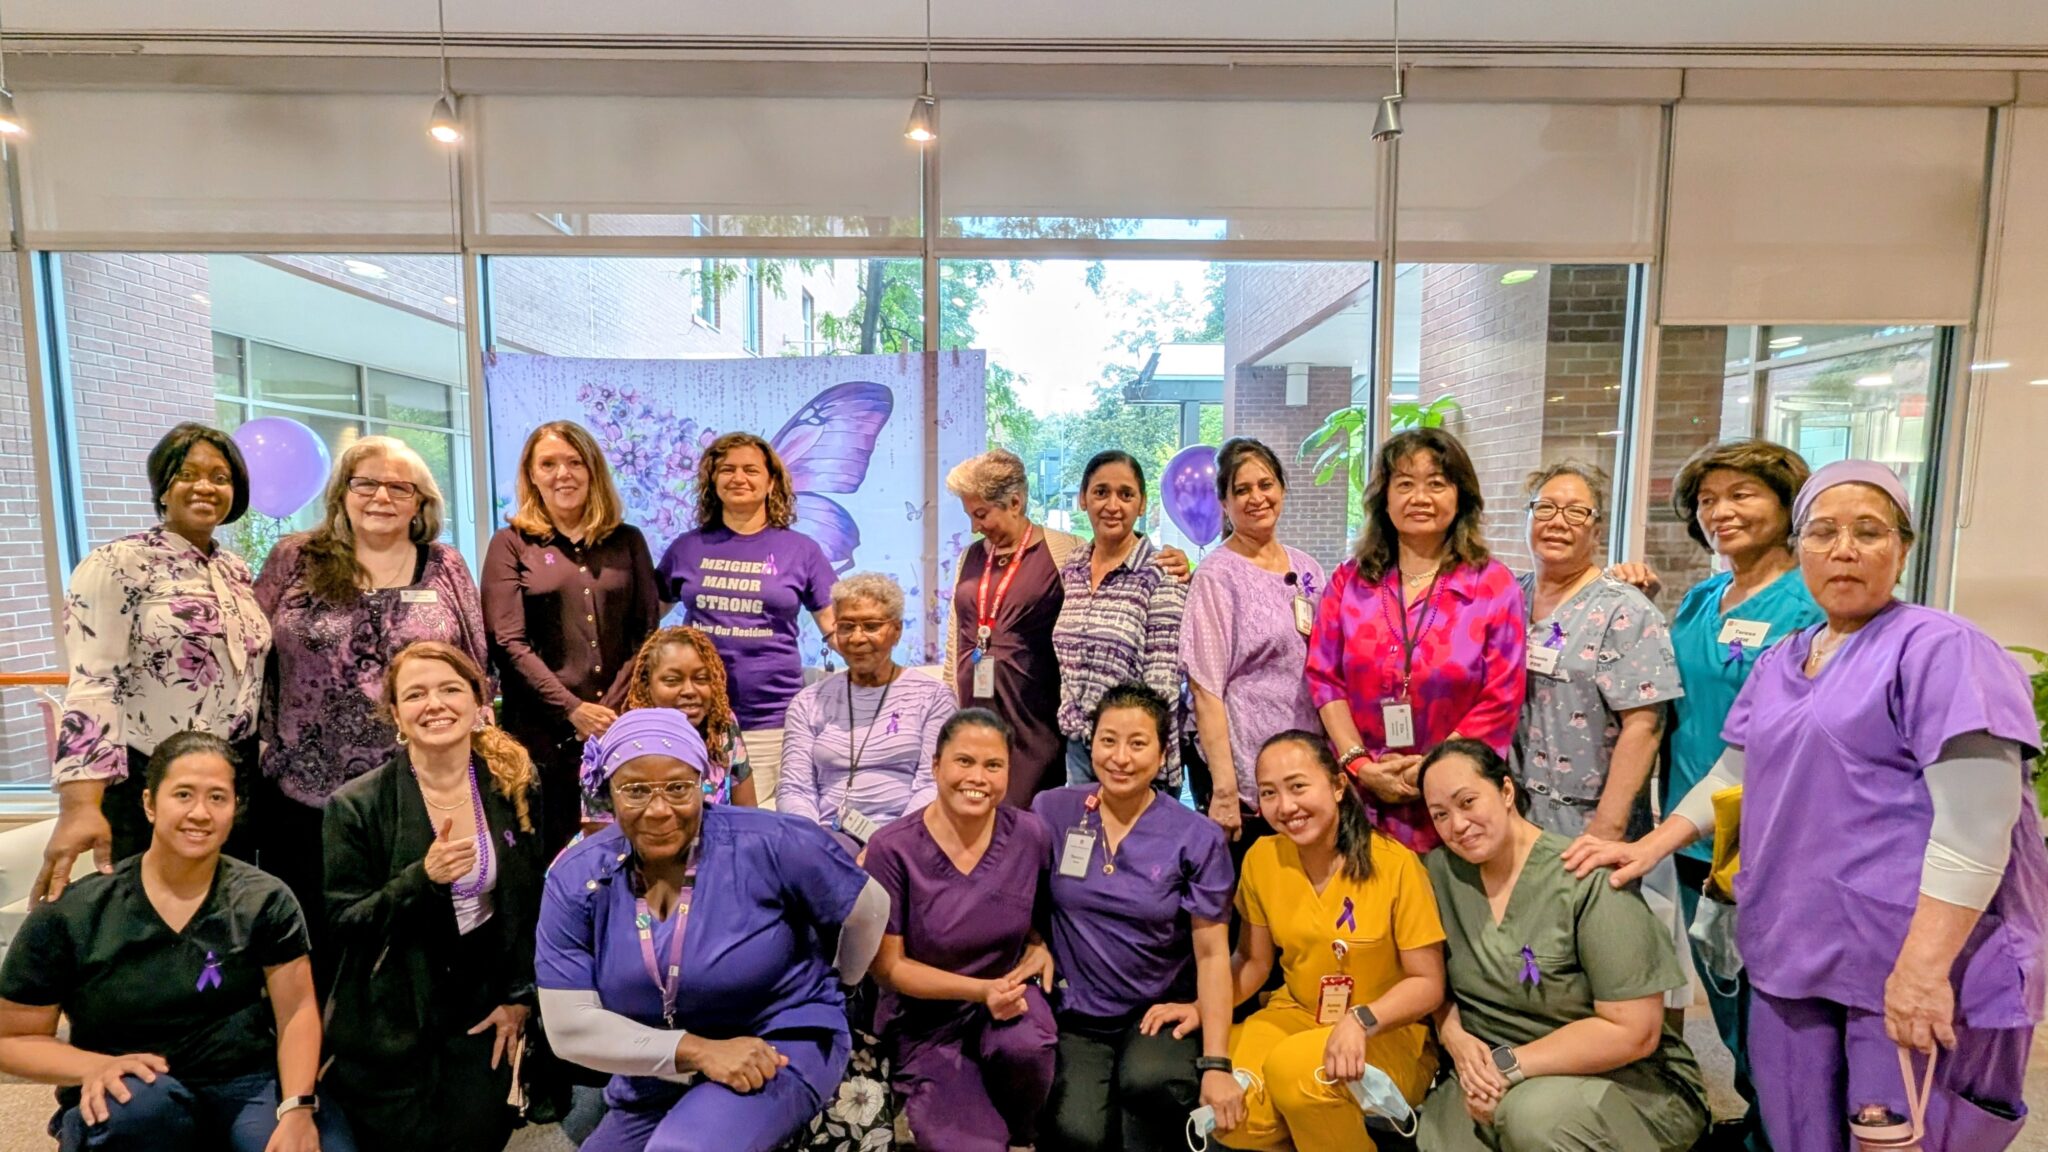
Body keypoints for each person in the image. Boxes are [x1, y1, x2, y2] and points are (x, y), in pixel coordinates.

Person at [1566, 459, 2046, 1152]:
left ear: (1902, 547)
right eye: (1823, 532)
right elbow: (1740, 766)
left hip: (1906, 960)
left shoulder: (1944, 651)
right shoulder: (1789, 655)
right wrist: (1653, 843)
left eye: (1868, 531)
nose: (1843, 549)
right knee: (1796, 1126)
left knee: (1900, 1133)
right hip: (1797, 949)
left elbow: (1977, 829)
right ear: (1802, 546)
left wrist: (1922, 970)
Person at [536, 708, 889, 1152]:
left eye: (678, 788)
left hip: (777, 1042)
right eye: (636, 790)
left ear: (704, 782)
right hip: (658, 1066)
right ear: (607, 792)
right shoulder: (578, 877)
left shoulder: (773, 841)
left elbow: (870, 907)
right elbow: (568, 1028)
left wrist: (845, 983)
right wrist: (698, 1051)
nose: (659, 810)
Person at [0, 731, 356, 1152]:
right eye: (183, 795)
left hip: (243, 1082)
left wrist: (297, 1107)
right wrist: (96, 1066)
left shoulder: (264, 899)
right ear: (150, 804)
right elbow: (12, 1039)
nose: (200, 813)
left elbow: (296, 1011)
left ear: (234, 809)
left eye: (218, 798)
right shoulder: (75, 912)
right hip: (134, 1087)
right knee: (140, 1112)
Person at [1416, 739, 1707, 1152]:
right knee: (1442, 1140)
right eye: (1440, 815)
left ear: (1505, 791)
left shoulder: (1584, 876)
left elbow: (1634, 1032)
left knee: (1533, 1119)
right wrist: (1454, 1038)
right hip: (1493, 1071)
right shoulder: (1437, 875)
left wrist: (1509, 1069)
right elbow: (1426, 980)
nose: (1457, 825)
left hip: (1623, 1077)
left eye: (1468, 802)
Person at [254, 435, 488, 931]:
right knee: (313, 929)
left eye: (400, 488)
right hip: (303, 788)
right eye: (366, 484)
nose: (382, 498)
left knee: (411, 925)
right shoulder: (294, 558)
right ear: (342, 491)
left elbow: (476, 667)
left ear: (420, 502)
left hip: (414, 788)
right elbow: (250, 653)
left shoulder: (445, 567)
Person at [321, 642, 546, 1152]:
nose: (435, 704)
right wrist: (420, 879)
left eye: (450, 689)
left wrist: (520, 999)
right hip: (393, 1020)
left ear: (477, 700)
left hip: (483, 1009)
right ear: (396, 714)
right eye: (416, 694)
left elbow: (532, 903)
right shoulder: (353, 805)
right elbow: (344, 923)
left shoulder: (516, 784)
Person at [38, 422, 272, 901]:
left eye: (220, 477)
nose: (205, 486)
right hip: (153, 777)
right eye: (187, 473)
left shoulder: (235, 571)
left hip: (233, 776)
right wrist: (79, 804)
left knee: (227, 914)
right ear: (162, 488)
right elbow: (93, 682)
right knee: (155, 922)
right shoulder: (117, 564)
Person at [1659, 437, 1820, 1132]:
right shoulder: (1700, 599)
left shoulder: (1810, 600)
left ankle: (1789, 1130)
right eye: (1707, 501)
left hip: (1777, 839)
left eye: (1742, 495)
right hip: (1696, 837)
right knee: (1726, 996)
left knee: (1780, 1009)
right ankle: (1761, 1119)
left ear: (1787, 505)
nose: (1721, 512)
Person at [1034, 683, 1240, 1152]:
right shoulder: (1053, 811)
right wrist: (1032, 941)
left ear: (1164, 751)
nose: (1120, 757)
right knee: (1076, 1132)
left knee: (1151, 1085)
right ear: (1091, 742)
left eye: (1138, 743)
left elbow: (1212, 955)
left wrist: (1217, 1063)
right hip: (1078, 1014)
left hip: (1157, 1012)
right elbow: (1015, 894)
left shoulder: (1197, 836)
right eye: (1108, 740)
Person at [1220, 730, 1445, 1152]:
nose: (1286, 806)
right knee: (1231, 1107)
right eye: (1269, 793)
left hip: (1387, 1030)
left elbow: (1428, 984)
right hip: (1297, 1012)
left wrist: (1361, 1021)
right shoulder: (1262, 858)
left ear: (1339, 786)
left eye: (1298, 787)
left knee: (1297, 1075)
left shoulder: (1395, 865)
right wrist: (1203, 1007)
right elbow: (1252, 962)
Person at [1309, 427, 1526, 856]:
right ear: (1383, 499)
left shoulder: (1493, 586)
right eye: (1405, 484)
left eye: (1437, 484)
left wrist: (1432, 769)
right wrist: (1360, 764)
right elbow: (1324, 677)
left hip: (1456, 805)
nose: (1420, 498)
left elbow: (1502, 695)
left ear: (1460, 496)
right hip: (1360, 796)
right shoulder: (1348, 582)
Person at [864, 708, 1059, 1152]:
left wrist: (1041, 945)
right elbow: (888, 969)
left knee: (1028, 1047)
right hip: (923, 1019)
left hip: (1008, 997)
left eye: (994, 766)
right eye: (964, 762)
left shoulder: (1030, 834)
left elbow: (1041, 912)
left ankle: (1025, 1138)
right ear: (935, 766)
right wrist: (979, 991)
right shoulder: (892, 849)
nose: (978, 777)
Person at [485, 420, 663, 855]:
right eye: (548, 464)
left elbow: (646, 634)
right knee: (553, 856)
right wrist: (573, 710)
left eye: (574, 462)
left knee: (628, 852)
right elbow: (507, 642)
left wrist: (608, 711)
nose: (562, 474)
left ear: (593, 471)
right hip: (543, 737)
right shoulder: (510, 544)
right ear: (531, 475)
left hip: (621, 729)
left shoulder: (628, 541)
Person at [657, 432, 839, 811]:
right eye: (727, 469)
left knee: (762, 829)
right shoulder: (687, 548)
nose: (738, 477)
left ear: (771, 482)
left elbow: (837, 628)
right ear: (713, 481)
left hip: (772, 720)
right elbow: (641, 623)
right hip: (696, 719)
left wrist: (888, 680)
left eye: (750, 470)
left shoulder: (801, 550)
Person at [1512, 461, 1681, 840]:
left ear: (1598, 530)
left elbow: (1645, 725)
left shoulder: (1626, 609)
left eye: (1577, 512)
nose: (1558, 522)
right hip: (1513, 815)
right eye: (1545, 508)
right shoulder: (1508, 596)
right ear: (1529, 518)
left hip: (1590, 825)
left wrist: (1606, 830)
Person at [1181, 438, 1325, 852]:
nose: (1256, 498)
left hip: (1307, 760)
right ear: (1224, 503)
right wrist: (1225, 789)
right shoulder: (1217, 576)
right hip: (1248, 773)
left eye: (1265, 485)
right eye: (1241, 490)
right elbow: (1205, 689)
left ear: (1282, 488)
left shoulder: (1307, 568)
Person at [778, 573, 954, 845]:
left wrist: (891, 845)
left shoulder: (933, 697)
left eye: (871, 626)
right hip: (826, 838)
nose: (857, 638)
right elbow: (795, 789)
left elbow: (932, 785)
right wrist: (812, 844)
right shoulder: (807, 702)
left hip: (908, 839)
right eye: (846, 626)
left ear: (896, 631)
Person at [1052, 450, 1189, 788]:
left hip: (1134, 759)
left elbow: (1163, 685)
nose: (1113, 505)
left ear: (1142, 505)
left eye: (1126, 494)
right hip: (1080, 748)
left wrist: (1131, 750)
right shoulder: (1073, 566)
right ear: (1083, 499)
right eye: (1101, 492)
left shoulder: (1162, 574)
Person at [621, 626, 757, 808]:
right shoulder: (624, 742)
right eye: (672, 680)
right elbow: (602, 831)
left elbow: (748, 813)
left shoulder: (722, 725)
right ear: (647, 685)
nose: (689, 691)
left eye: (701, 678)